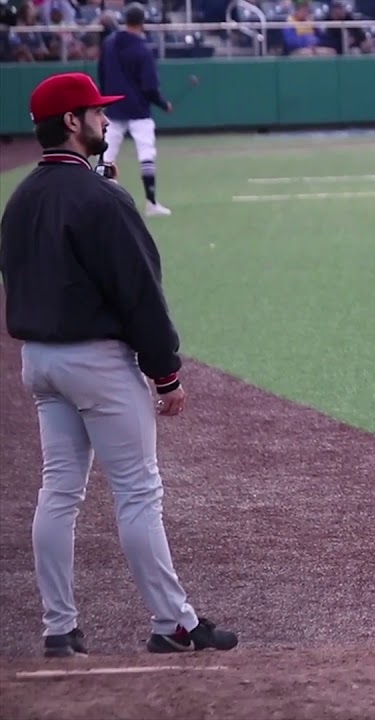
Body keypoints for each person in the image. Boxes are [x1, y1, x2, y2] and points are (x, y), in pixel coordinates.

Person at [0, 72, 239, 658]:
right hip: (96, 363)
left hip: (40, 362)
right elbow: (140, 295)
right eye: (96, 112)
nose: (107, 120)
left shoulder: (21, 196)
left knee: (58, 492)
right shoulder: (102, 197)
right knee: (137, 494)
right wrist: (166, 373)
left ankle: (60, 628)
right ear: (73, 123)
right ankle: (173, 623)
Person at [97, 2, 173, 217]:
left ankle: (99, 203)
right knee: (146, 154)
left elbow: (101, 73)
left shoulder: (109, 44)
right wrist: (163, 103)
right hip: (138, 109)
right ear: (142, 22)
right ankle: (151, 202)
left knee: (105, 155)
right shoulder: (142, 49)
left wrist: (104, 100)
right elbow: (149, 86)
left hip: (113, 106)